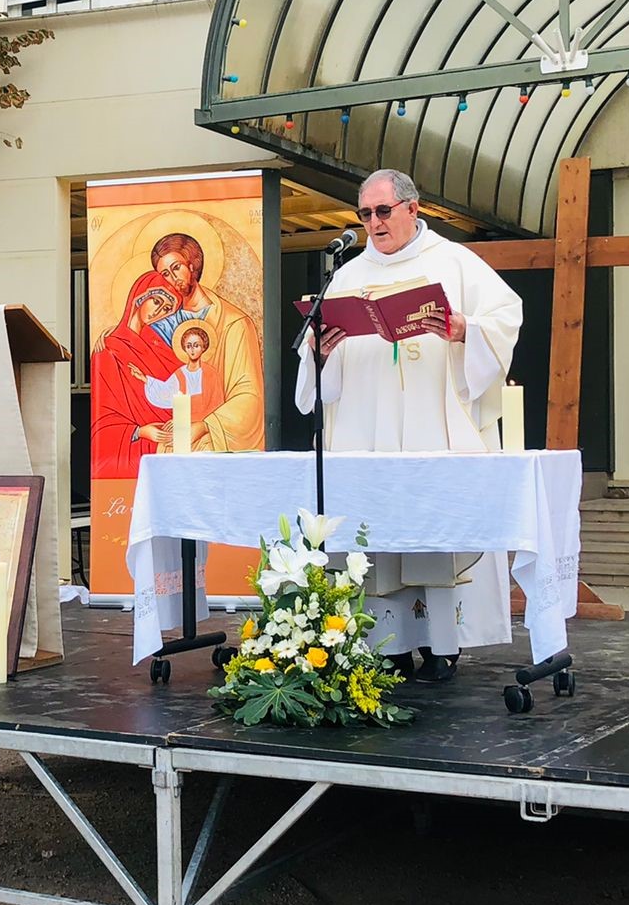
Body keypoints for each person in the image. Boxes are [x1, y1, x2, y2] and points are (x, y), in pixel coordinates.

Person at [296, 167, 524, 680]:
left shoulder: (453, 263)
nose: (374, 223)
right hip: (366, 433)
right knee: (376, 539)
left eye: (382, 211)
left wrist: (466, 328)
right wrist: (320, 351)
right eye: (365, 214)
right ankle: (389, 647)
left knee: (430, 532)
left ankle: (444, 646)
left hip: (430, 429)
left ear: (412, 209)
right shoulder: (347, 276)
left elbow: (507, 316)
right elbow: (317, 378)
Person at [149, 231, 265, 454]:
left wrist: (204, 426)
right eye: (164, 274)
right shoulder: (163, 323)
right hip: (173, 438)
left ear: (192, 265)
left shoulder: (234, 323)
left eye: (176, 268)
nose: (172, 279)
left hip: (209, 442)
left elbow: (249, 397)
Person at [89, 273, 184, 479]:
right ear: (139, 298)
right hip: (135, 446)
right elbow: (104, 418)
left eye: (167, 309)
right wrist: (140, 432)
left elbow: (183, 386)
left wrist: (180, 419)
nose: (159, 311)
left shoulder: (159, 346)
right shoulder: (108, 351)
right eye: (156, 301)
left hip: (170, 440)